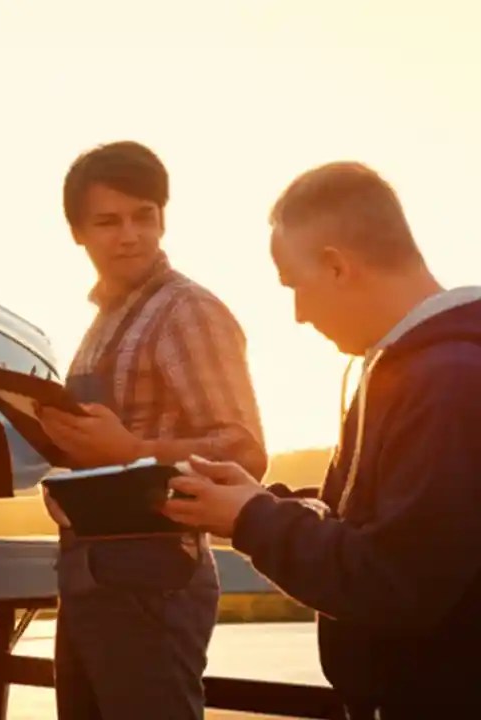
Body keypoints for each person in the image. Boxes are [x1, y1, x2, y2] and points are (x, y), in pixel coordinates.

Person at [161, 161, 481, 719]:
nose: (299, 314)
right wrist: (265, 501)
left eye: (294, 286)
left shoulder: (448, 380)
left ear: (336, 266)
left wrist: (252, 520)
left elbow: (396, 582)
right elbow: (379, 519)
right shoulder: (411, 368)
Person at [37, 140, 268, 719]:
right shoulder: (101, 321)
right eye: (108, 221)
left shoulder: (186, 310)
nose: (130, 234)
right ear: (77, 233)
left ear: (163, 217)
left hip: (156, 579)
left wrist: (134, 450)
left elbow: (245, 450)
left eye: (145, 216)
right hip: (90, 573)